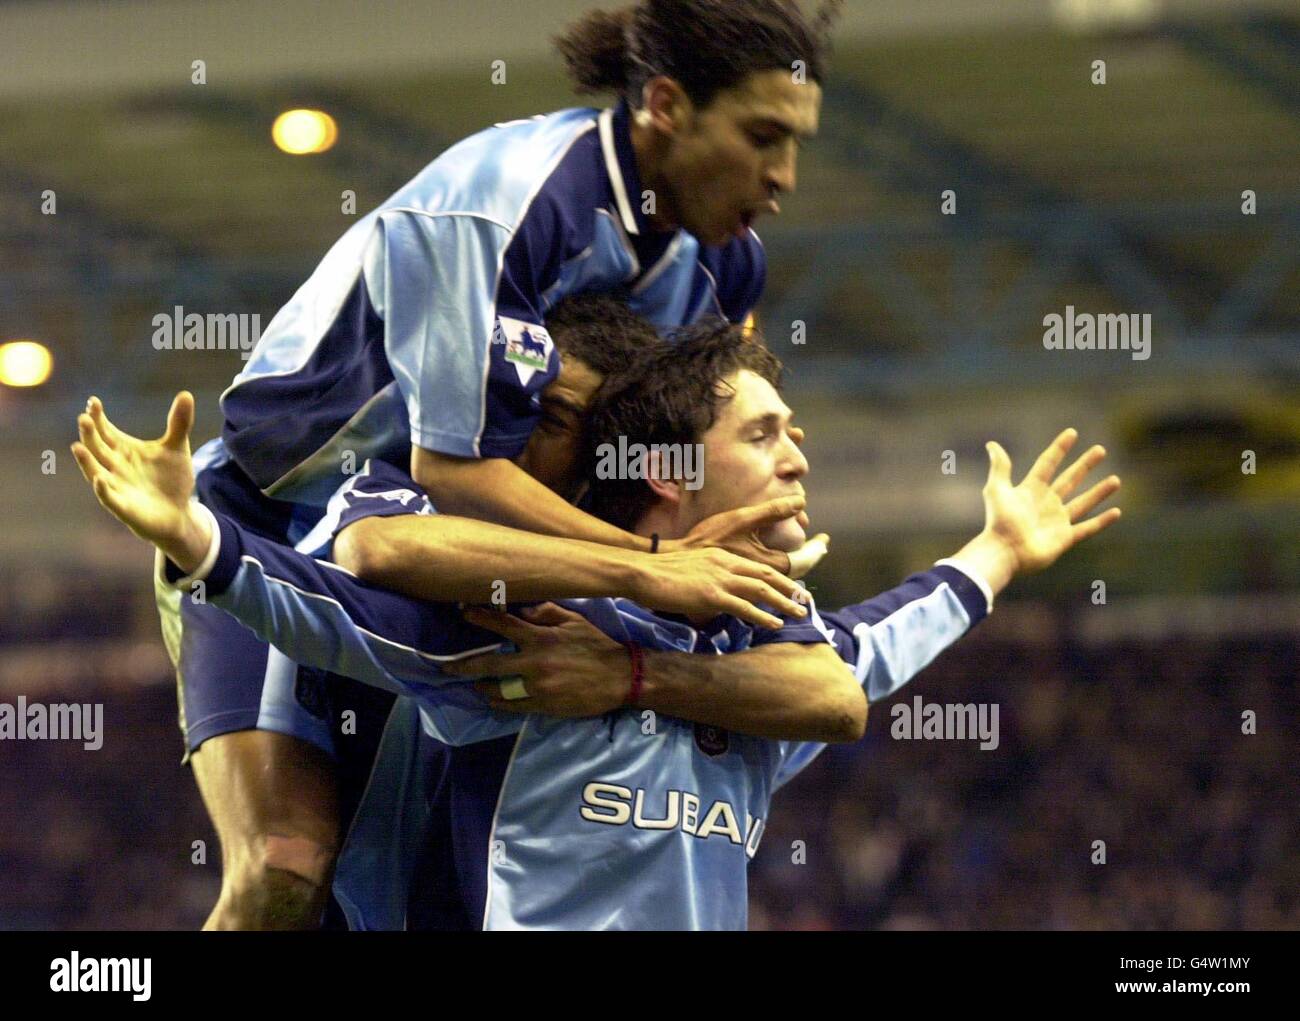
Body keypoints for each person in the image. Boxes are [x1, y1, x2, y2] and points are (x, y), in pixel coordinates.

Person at [74, 318, 1122, 929]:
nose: (799, 456)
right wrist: (200, 541)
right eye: (765, 435)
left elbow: (862, 660)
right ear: (664, 471)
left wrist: (997, 554)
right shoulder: (535, 633)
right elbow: (349, 609)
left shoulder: (755, 664)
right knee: (276, 873)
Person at [161, 0, 842, 928]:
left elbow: (694, 440)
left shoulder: (726, 268)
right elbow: (454, 474)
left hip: (480, 559)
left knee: (396, 899)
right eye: (763, 136)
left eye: (796, 141)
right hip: (280, 523)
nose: (784, 175)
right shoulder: (498, 204)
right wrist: (654, 569)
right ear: (669, 107)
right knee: (285, 868)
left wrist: (746, 536)